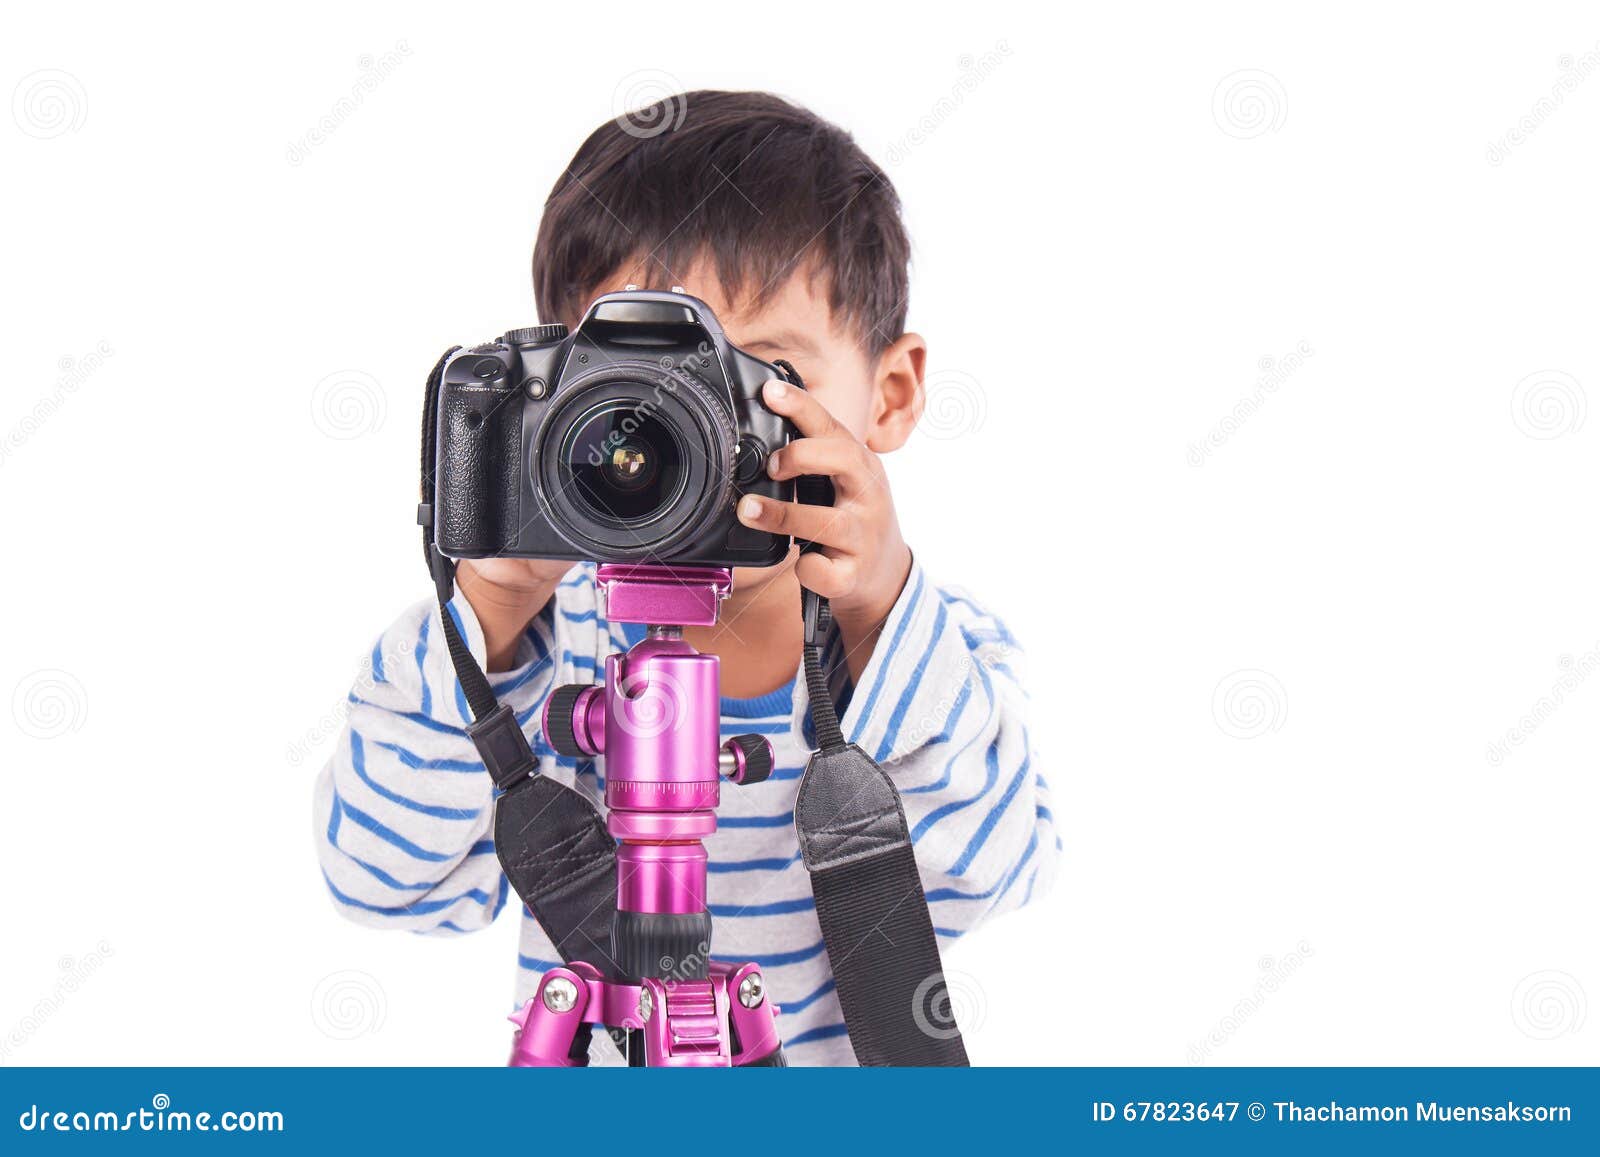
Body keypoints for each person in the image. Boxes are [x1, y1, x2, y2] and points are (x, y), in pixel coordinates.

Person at [313, 89, 1058, 1065]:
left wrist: (877, 611)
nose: (693, 432)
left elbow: (991, 875)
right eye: (635, 382)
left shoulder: (919, 649)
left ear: (890, 393)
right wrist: (491, 608)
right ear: (552, 403)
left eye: (760, 373)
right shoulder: (544, 647)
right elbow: (380, 879)